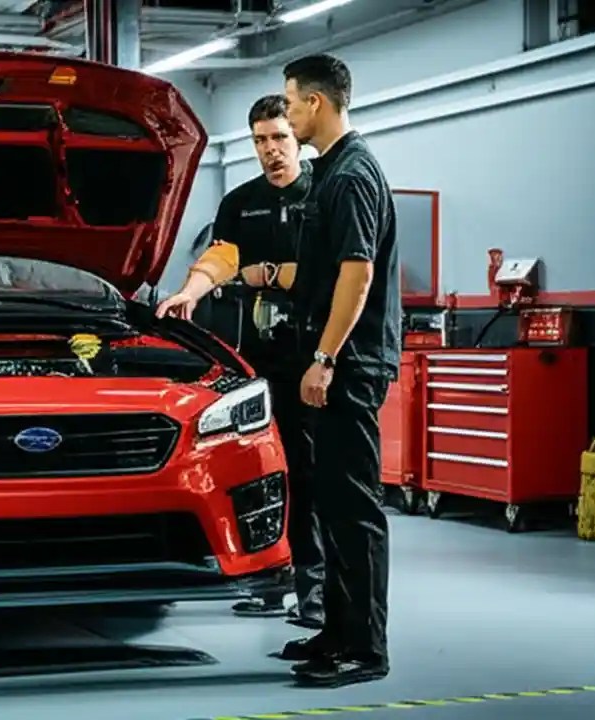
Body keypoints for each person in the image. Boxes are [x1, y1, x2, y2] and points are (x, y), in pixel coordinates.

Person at [155, 94, 325, 631]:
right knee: (258, 469)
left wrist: (267, 275)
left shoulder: (323, 192)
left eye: (279, 137)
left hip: (316, 359)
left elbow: (329, 271)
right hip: (259, 362)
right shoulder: (241, 201)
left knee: (311, 475)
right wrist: (191, 291)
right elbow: (223, 257)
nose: (270, 149)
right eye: (260, 140)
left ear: (296, 136)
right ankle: (270, 580)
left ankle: (316, 589)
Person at [272, 53, 400, 689]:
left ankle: (367, 648)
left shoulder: (352, 176)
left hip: (349, 365)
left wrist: (324, 359)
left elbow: (358, 273)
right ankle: (338, 631)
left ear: (316, 103)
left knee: (356, 508)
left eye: (291, 103)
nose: (287, 113)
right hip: (331, 362)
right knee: (331, 503)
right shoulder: (330, 173)